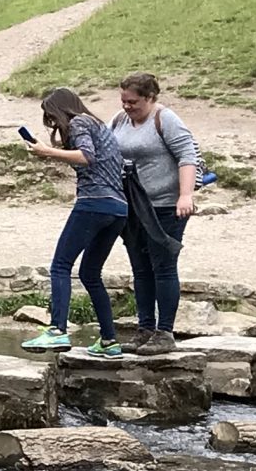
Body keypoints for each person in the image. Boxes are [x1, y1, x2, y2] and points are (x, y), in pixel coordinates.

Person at [18, 86, 128, 358]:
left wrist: (48, 153)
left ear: (61, 110)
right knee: (90, 274)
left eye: (53, 118)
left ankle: (57, 330)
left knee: (60, 265)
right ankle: (109, 341)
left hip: (94, 203)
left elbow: (86, 156)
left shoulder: (79, 122)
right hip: (119, 209)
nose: (54, 124)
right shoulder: (100, 127)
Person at [113, 72, 199, 354]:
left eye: (133, 101)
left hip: (165, 206)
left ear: (150, 98)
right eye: (124, 100)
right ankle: (145, 328)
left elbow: (188, 155)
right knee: (140, 267)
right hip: (133, 206)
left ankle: (165, 332)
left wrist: (185, 195)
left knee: (163, 266)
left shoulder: (166, 120)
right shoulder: (120, 119)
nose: (127, 106)